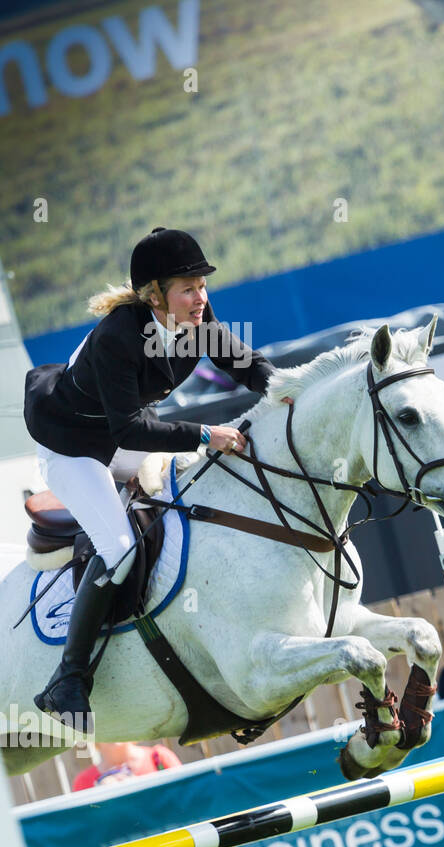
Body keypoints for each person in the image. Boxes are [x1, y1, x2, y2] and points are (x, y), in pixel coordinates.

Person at [23, 227, 277, 732]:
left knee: (185, 491)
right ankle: (68, 678)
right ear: (155, 296)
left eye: (203, 286)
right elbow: (131, 428)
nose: (200, 298)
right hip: (73, 446)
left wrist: (292, 389)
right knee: (118, 544)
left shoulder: (195, 319)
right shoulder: (121, 334)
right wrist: (207, 433)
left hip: (118, 434)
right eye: (188, 288)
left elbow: (243, 365)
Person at [73, 741, 182, 792]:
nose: (113, 727)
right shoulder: (84, 782)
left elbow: (187, 797)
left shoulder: (159, 757)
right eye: (104, 723)